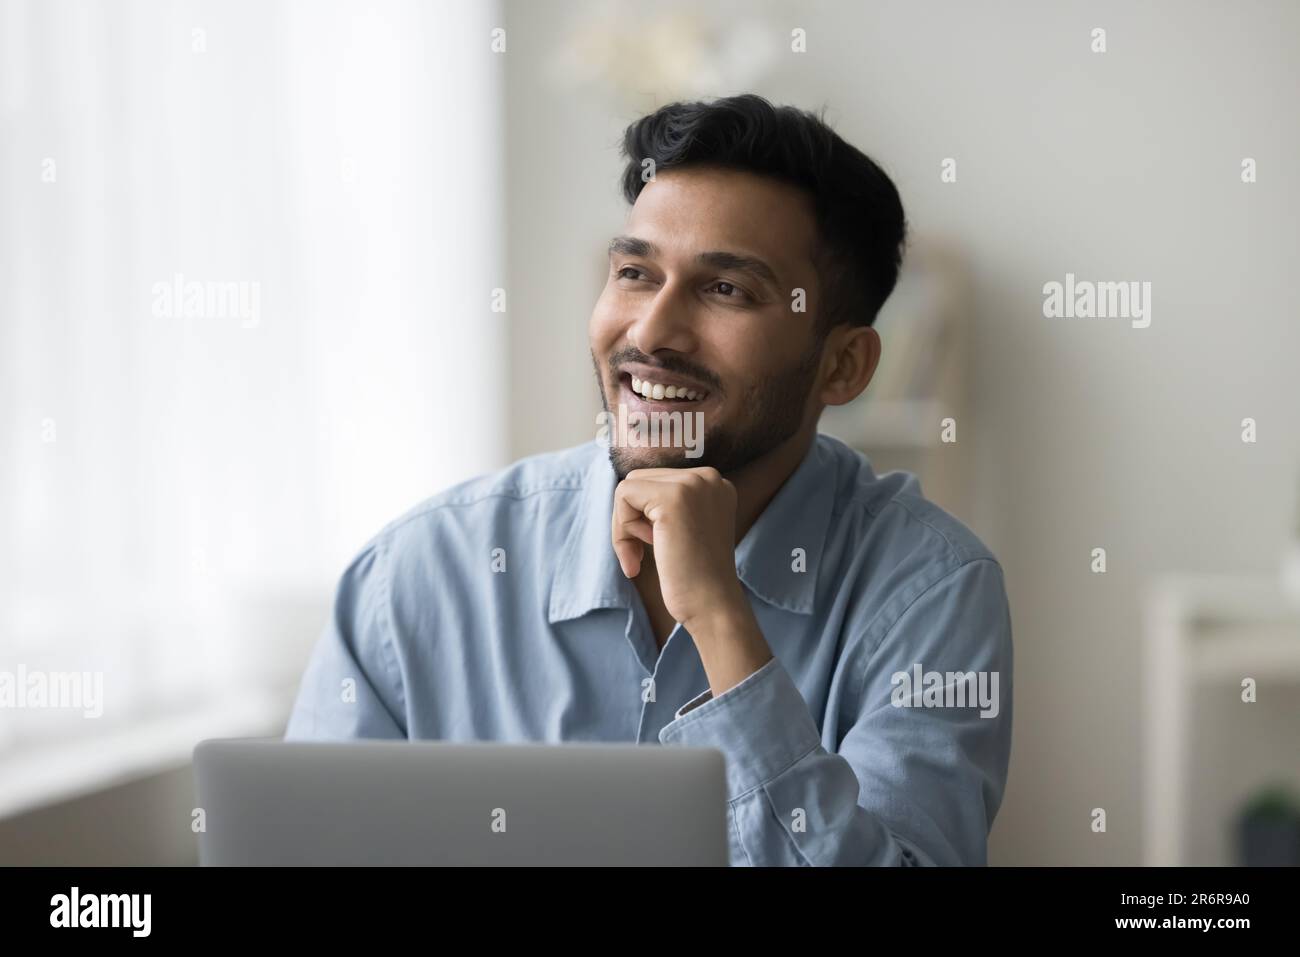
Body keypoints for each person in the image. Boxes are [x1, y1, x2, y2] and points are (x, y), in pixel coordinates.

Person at [286, 93, 1013, 866]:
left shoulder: (932, 591)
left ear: (843, 364)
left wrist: (722, 623)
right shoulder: (415, 574)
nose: (652, 332)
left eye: (726, 289)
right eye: (636, 272)